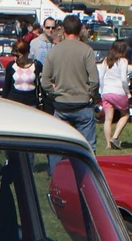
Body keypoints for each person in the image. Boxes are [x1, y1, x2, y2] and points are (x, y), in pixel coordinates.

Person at [41, 16, 98, 151]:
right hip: (82, 103)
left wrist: (54, 93)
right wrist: (92, 95)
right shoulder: (87, 50)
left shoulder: (54, 51)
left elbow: (45, 81)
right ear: (79, 30)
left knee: (59, 148)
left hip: (61, 104)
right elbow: (94, 80)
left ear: (64, 30)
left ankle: (55, 171)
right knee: (87, 149)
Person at [98, 39, 130, 149]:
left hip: (106, 92)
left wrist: (102, 91)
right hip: (119, 91)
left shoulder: (106, 60)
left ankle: (108, 144)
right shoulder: (123, 61)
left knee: (108, 119)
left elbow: (101, 77)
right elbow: (124, 79)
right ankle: (115, 137)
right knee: (125, 114)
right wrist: (128, 92)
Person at [1, 37, 42, 108]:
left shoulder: (36, 65)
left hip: (31, 103)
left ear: (26, 54)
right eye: (13, 55)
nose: (15, 58)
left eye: (18, 56)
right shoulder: (11, 66)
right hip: (13, 103)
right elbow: (6, 87)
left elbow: (41, 86)